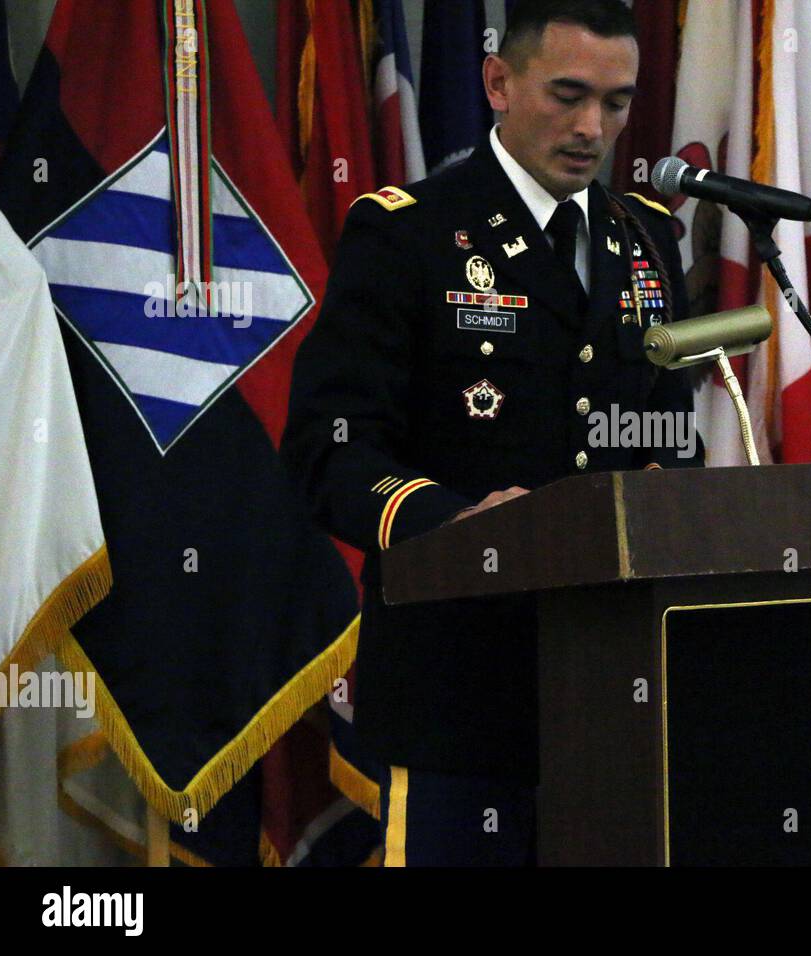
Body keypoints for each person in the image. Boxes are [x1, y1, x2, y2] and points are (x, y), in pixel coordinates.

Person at [281, 0, 703, 866]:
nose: (594, 128)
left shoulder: (648, 241)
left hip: (617, 685)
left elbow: (667, 432)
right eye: (568, 94)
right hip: (459, 687)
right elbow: (329, 449)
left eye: (617, 103)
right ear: (498, 83)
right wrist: (455, 523)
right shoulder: (411, 232)